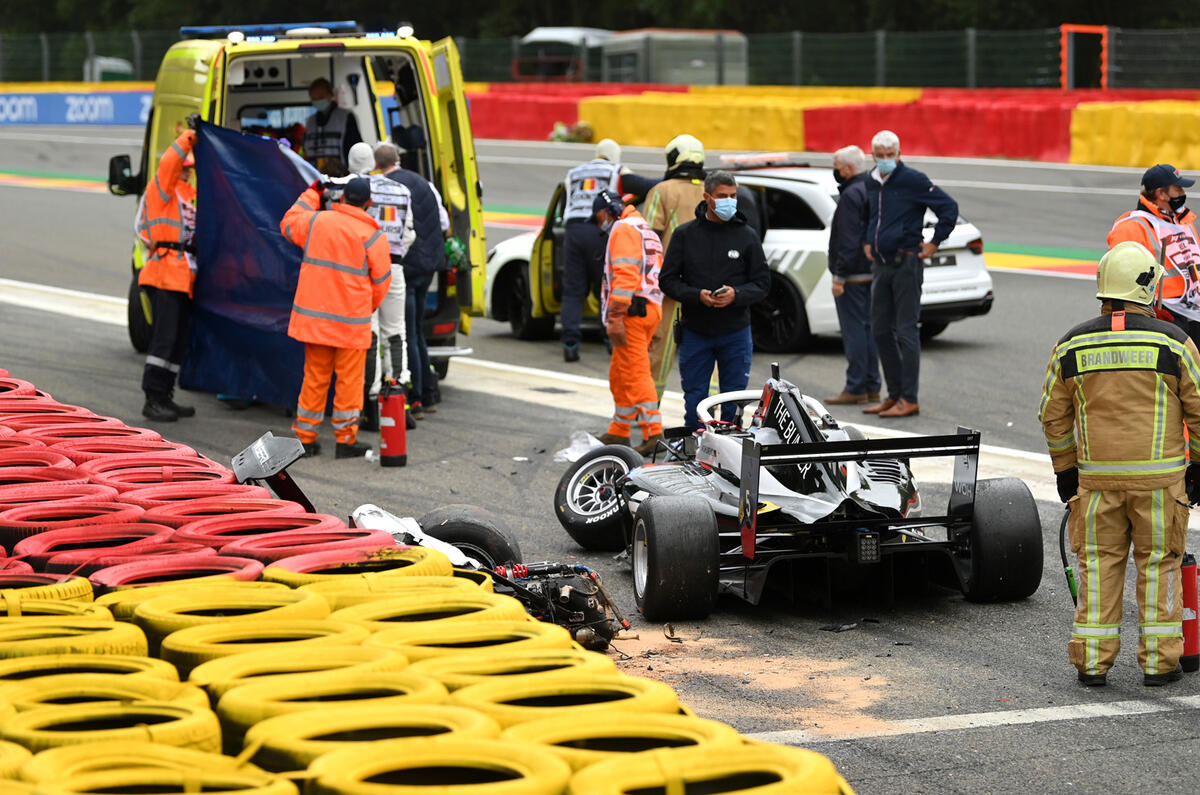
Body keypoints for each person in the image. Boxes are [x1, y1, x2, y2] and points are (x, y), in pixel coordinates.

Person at [1039, 240, 1200, 687]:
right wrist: (1198, 466)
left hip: (1095, 487)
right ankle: (1160, 665)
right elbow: (1199, 410)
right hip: (1161, 485)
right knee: (1160, 566)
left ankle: (1091, 662)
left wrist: (1065, 470)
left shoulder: (1071, 344)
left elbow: (1052, 415)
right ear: (1147, 288)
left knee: (1098, 567)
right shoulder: (1175, 342)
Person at [280, 177, 391, 459]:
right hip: (351, 324)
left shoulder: (317, 222)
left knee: (314, 379)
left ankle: (305, 439)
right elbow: (382, 282)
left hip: (315, 322)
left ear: (342, 198)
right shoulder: (373, 235)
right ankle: (345, 441)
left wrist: (312, 193)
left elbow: (288, 223)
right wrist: (366, 308)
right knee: (349, 383)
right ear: (369, 203)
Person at [659, 171, 771, 430]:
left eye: (733, 196)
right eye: (722, 196)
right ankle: (696, 445)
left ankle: (730, 449)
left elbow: (762, 284)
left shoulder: (747, 236)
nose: (729, 201)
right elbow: (667, 280)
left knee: (734, 402)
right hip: (695, 331)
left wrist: (736, 295)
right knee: (695, 401)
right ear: (707, 197)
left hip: (735, 333)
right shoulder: (685, 235)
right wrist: (697, 295)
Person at [862, 129, 958, 418]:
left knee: (906, 330)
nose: (886, 159)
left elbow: (949, 208)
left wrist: (934, 242)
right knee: (880, 330)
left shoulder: (913, 179)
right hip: (881, 265)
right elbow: (871, 215)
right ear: (873, 155)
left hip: (906, 263)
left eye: (891, 155)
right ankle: (893, 394)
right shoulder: (870, 181)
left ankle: (909, 398)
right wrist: (868, 240)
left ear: (899, 154)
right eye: (881, 155)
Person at [560, 139, 657, 362]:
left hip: (573, 231)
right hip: (601, 230)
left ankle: (570, 344)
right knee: (605, 285)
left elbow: (565, 204)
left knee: (573, 291)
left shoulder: (573, 173)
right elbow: (650, 186)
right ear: (615, 155)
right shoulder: (617, 171)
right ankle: (609, 340)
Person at [375, 141, 450, 419]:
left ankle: (414, 398)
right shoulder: (425, 184)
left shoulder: (385, 189)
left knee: (404, 335)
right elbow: (444, 224)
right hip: (428, 267)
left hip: (405, 268)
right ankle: (427, 394)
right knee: (417, 331)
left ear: (377, 164)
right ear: (398, 158)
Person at [347, 142, 415, 431]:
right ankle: (398, 396)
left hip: (365, 269)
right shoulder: (402, 190)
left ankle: (371, 403)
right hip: (395, 267)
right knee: (396, 332)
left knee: (371, 334)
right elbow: (409, 233)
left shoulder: (358, 190)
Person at [591, 190, 665, 454]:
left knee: (635, 373)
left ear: (607, 211)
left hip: (632, 312)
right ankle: (619, 430)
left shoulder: (623, 229)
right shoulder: (643, 227)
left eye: (598, 217)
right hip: (648, 308)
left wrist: (615, 316)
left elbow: (625, 275)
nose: (598, 223)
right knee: (620, 373)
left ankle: (654, 433)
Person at [137, 118, 199, 422]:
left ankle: (165, 395)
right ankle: (152, 398)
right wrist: (192, 135)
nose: (186, 170)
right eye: (184, 167)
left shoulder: (187, 196)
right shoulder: (162, 189)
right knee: (164, 339)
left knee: (178, 341)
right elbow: (170, 161)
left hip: (183, 276)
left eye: (189, 168)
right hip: (164, 274)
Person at [1108, 164, 1200, 347]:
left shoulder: (1184, 222)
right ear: (1161, 194)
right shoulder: (1131, 226)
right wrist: (1146, 314)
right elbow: (1121, 280)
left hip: (1192, 312)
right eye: (1178, 189)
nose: (1182, 193)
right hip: (1162, 315)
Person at [644, 133, 707, 398]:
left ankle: (649, 406)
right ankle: (711, 412)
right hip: (707, 288)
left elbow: (648, 241)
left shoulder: (662, 191)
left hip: (670, 287)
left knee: (659, 350)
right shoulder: (714, 190)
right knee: (709, 355)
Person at [826, 144, 881, 406]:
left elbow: (848, 240)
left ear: (848, 169)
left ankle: (856, 385)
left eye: (837, 167)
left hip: (853, 276)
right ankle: (872, 386)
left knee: (854, 331)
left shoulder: (850, 195)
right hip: (872, 272)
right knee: (868, 330)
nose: (835, 171)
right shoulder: (872, 188)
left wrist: (839, 276)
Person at [303, 77, 362, 172]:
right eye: (314, 99)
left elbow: (355, 148)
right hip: (315, 174)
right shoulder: (310, 122)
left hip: (342, 174)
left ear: (331, 95)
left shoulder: (346, 117)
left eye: (321, 97)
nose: (318, 101)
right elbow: (306, 149)